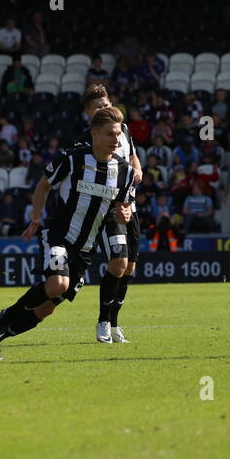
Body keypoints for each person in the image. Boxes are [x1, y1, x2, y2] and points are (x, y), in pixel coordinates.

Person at [0, 108, 134, 360]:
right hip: (58, 235)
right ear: (94, 134)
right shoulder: (72, 159)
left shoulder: (124, 171)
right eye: (110, 134)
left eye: (118, 134)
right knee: (56, 284)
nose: (116, 140)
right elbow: (43, 184)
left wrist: (124, 214)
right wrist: (36, 218)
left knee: (46, 309)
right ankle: (5, 317)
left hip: (85, 249)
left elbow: (121, 208)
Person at [78, 86, 143, 345]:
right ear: (87, 114)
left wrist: (138, 170)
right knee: (117, 264)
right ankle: (103, 322)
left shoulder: (123, 130)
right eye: (96, 108)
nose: (103, 110)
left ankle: (115, 324)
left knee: (129, 268)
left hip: (130, 205)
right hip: (108, 208)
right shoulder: (87, 140)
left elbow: (133, 157)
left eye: (105, 104)